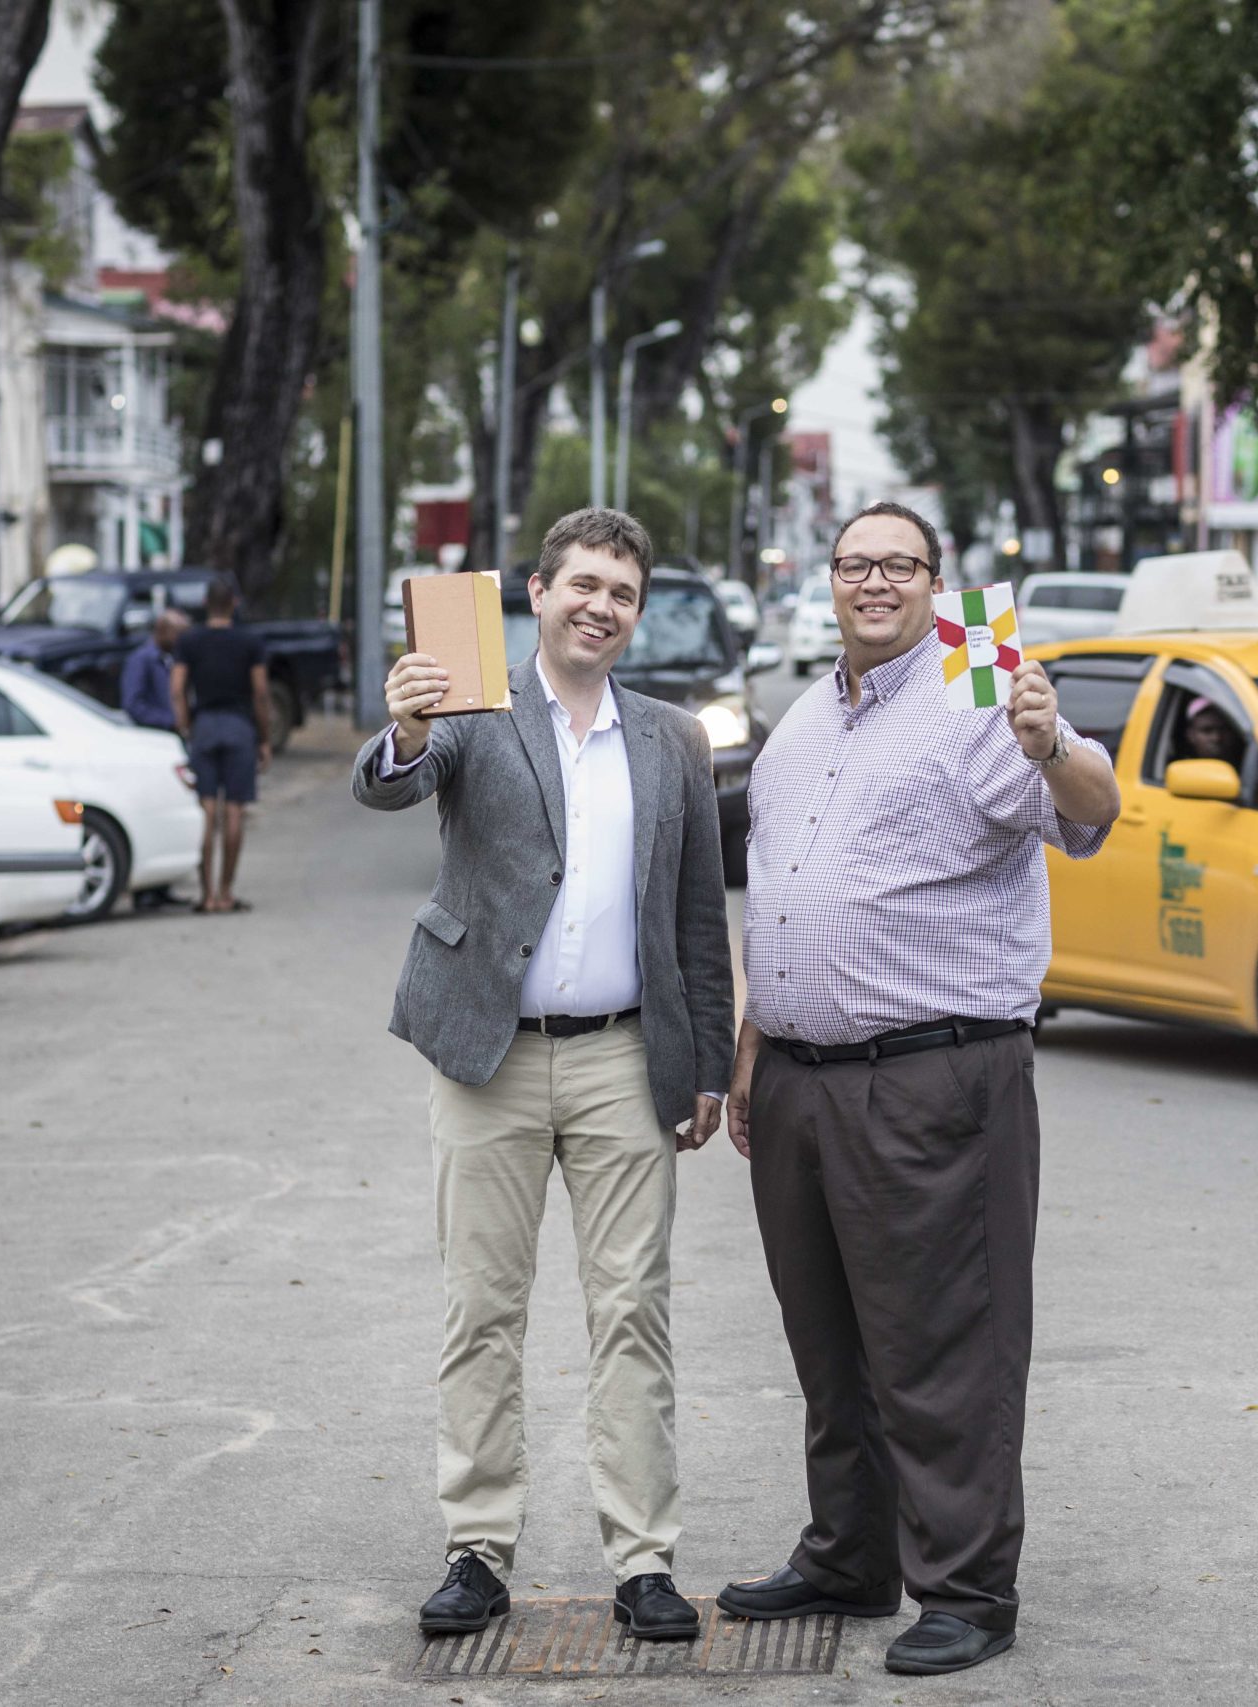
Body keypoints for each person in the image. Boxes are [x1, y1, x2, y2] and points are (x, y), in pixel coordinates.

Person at [717, 502, 1120, 1676]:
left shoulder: (980, 688)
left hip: (932, 1075)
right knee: (829, 1342)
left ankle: (968, 1590)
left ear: (938, 585)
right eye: (855, 563)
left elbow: (1092, 809)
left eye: (900, 564)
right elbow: (783, 888)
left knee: (946, 1343)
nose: (875, 581)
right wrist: (754, 1041)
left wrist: (1050, 741)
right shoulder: (803, 719)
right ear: (829, 580)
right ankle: (850, 1554)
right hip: (799, 1079)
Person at [354, 508, 734, 1646]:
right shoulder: (472, 708)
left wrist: (708, 1066)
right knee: (482, 1310)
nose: (599, 607)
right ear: (538, 592)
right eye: (583, 585)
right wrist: (406, 726)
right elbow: (391, 785)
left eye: (621, 592)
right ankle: (476, 1549)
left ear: (635, 612)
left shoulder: (673, 739)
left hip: (625, 1057)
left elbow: (697, 916)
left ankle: (645, 1560)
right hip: (491, 1057)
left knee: (633, 1313)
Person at [169, 578, 270, 913]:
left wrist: (185, 725)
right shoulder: (249, 642)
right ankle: (227, 892)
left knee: (206, 811)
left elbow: (177, 688)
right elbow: (260, 693)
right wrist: (264, 737)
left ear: (205, 602)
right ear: (235, 603)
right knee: (234, 810)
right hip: (239, 728)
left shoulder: (189, 640)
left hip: (205, 727)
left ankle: (206, 894)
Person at [121, 609, 190, 731]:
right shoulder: (140, 659)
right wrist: (171, 721)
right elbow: (133, 704)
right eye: (180, 634)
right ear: (164, 631)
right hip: (153, 733)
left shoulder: (174, 657)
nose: (184, 640)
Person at [1180, 695, 1246, 769]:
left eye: (1223, 729)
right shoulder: (1183, 769)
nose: (1216, 738)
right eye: (1207, 731)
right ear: (1190, 735)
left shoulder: (1250, 766)